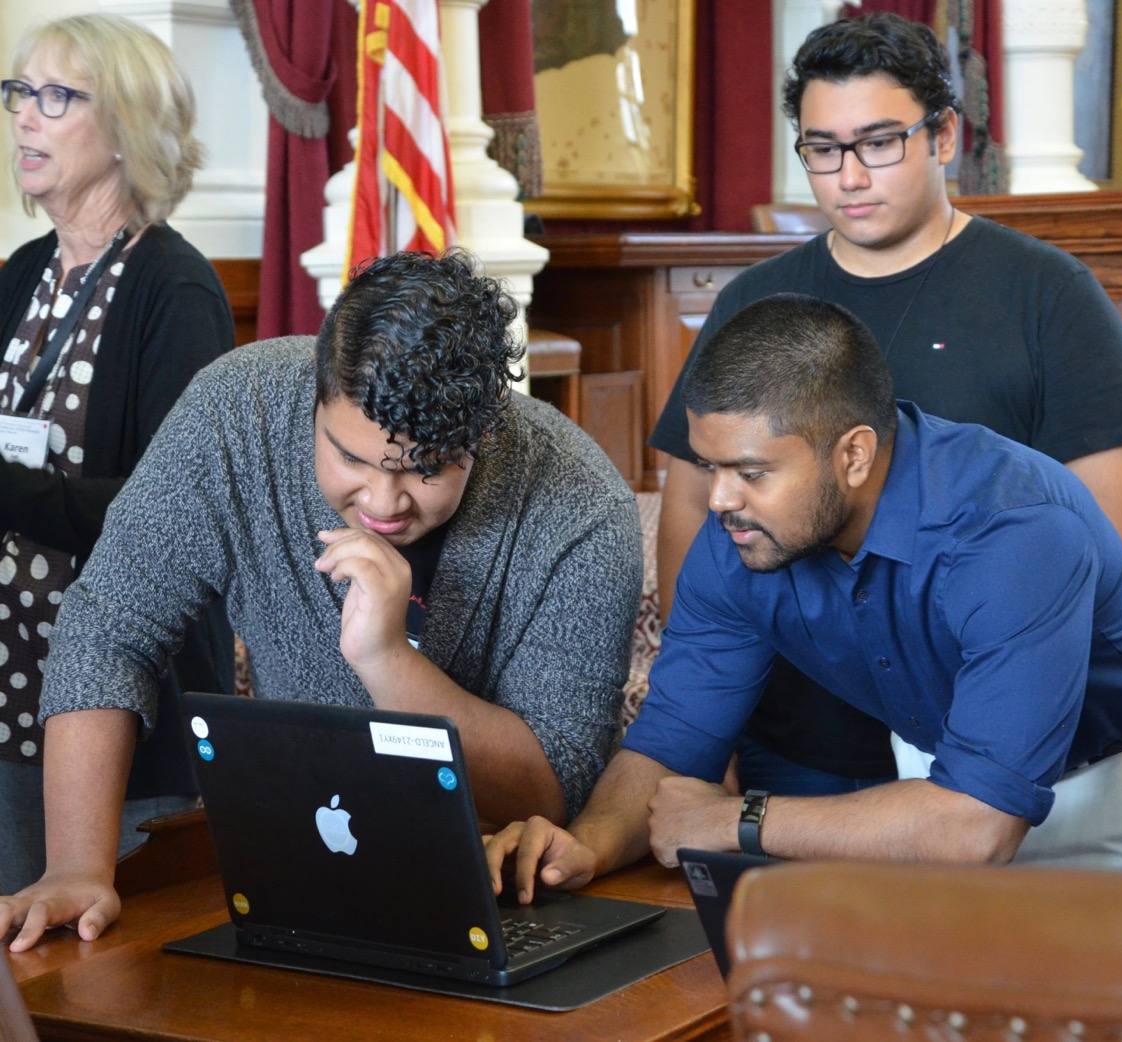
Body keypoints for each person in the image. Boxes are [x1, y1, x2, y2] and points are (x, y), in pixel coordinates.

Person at [0, 249, 642, 951]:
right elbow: (109, 628)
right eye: (351, 458)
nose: (383, 502)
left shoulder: (582, 506)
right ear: (315, 393)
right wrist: (75, 869)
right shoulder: (234, 411)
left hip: (505, 905)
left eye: (424, 470)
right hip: (290, 873)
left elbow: (547, 787)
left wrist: (386, 659)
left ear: (485, 432)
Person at [486, 294, 1122, 900]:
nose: (717, 500)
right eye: (708, 466)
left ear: (854, 455)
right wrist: (581, 845)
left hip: (1118, 780)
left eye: (750, 471)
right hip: (950, 778)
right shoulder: (743, 533)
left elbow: (977, 831)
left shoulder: (1011, 530)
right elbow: (675, 737)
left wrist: (741, 820)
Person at [648, 12, 1122, 797]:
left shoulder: (1046, 294)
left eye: (879, 142)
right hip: (797, 738)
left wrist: (1023, 699)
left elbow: (1111, 519)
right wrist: (705, 717)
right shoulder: (755, 299)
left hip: (983, 732)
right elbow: (694, 503)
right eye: (823, 150)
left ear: (945, 134)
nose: (849, 176)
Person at [0, 15, 235, 894]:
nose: (25, 116)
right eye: (20, 92)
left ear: (130, 127)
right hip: (8, 688)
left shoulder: (174, 288)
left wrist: (8, 494)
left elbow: (167, 515)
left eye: (55, 96)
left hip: (118, 704)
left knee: (92, 988)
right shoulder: (26, 271)